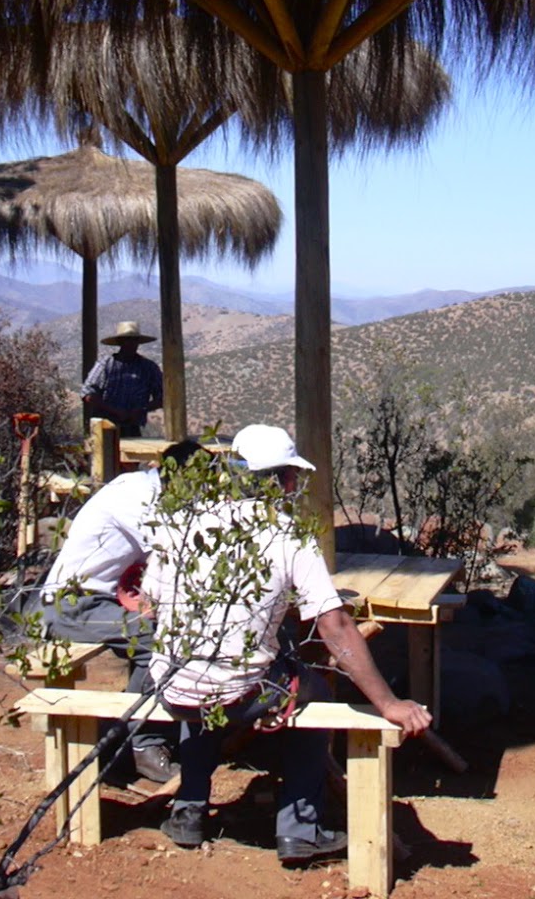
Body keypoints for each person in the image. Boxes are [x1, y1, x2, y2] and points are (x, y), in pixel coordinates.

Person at [143, 423, 432, 864]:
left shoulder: (180, 524)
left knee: (201, 675)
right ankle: (300, 829)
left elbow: (152, 602)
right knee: (312, 692)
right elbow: (333, 625)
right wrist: (388, 702)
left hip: (170, 685)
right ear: (283, 480)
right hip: (236, 691)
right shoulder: (287, 535)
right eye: (292, 476)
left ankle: (188, 810)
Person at [34, 439, 204, 784]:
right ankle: (141, 742)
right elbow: (176, 554)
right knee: (161, 642)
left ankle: (122, 740)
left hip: (95, 602)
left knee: (164, 635)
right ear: (168, 474)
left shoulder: (148, 491)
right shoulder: (137, 496)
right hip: (71, 605)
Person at [81, 321, 164, 436]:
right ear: (120, 342)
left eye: (134, 340)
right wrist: (114, 411)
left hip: (133, 427)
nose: (131, 344)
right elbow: (88, 394)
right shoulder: (105, 364)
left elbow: (163, 397)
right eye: (127, 340)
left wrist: (141, 410)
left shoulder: (148, 368)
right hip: (104, 427)